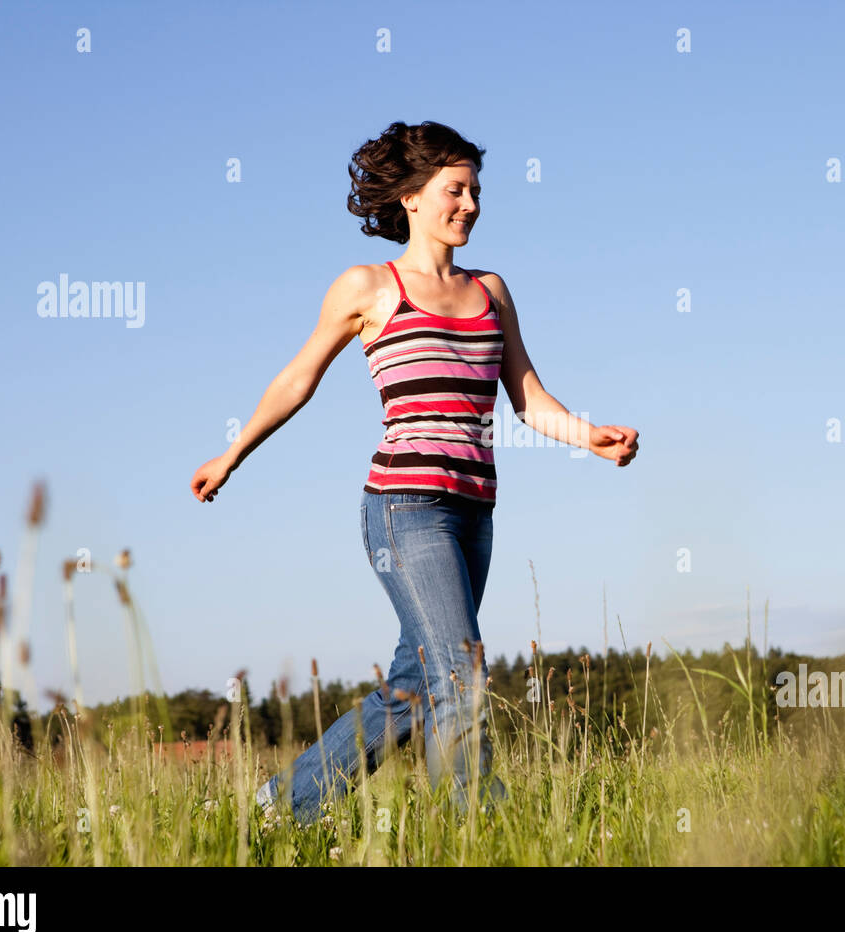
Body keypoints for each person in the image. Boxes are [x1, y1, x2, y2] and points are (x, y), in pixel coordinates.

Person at [189, 120, 640, 826]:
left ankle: (281, 807)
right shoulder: (371, 287)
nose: (470, 203)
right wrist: (233, 452)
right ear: (412, 197)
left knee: (416, 685)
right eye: (454, 189)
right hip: (404, 508)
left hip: (475, 512)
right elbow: (297, 379)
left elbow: (526, 397)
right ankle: (477, 831)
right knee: (461, 674)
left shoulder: (492, 290)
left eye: (475, 190)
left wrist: (590, 437)